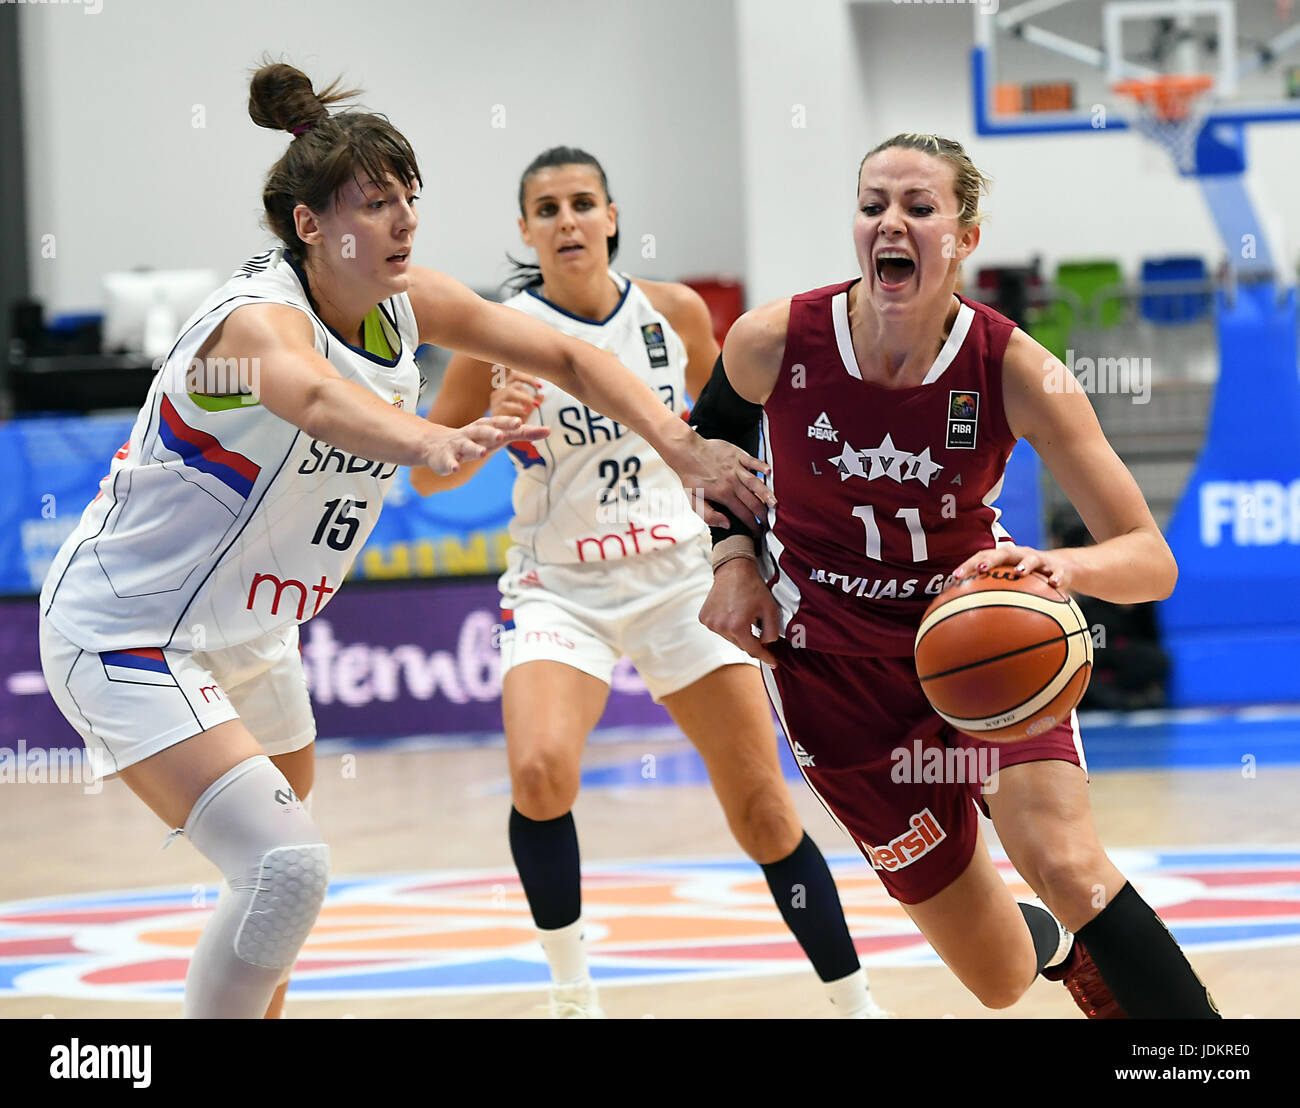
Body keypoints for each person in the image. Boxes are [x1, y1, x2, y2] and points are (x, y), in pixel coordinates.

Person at [37, 65, 767, 1020]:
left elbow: (564, 354)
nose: (405, 222)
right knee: (287, 870)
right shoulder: (254, 324)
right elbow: (314, 399)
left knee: (271, 894)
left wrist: (682, 444)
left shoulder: (402, 297)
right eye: (377, 205)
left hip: (252, 634)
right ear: (310, 226)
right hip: (128, 630)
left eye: (409, 199)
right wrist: (437, 438)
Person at [695, 133, 1219, 1018]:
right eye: (873, 205)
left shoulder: (1015, 368)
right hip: (833, 675)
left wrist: (1062, 563)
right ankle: (1045, 944)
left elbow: (1149, 559)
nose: (890, 223)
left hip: (984, 643)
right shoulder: (772, 339)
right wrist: (734, 560)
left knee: (1066, 864)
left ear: (965, 236)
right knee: (1001, 978)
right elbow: (713, 446)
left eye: (918, 207)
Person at [410, 147, 886, 1019]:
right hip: (562, 587)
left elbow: (726, 431)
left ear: (612, 217)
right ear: (526, 231)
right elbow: (427, 475)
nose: (566, 221)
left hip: (679, 581)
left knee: (762, 810)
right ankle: (571, 994)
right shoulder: (497, 333)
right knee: (542, 770)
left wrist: (759, 543)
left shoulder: (674, 313)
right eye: (546, 209)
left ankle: (855, 1003)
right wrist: (488, 428)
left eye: (581, 203)